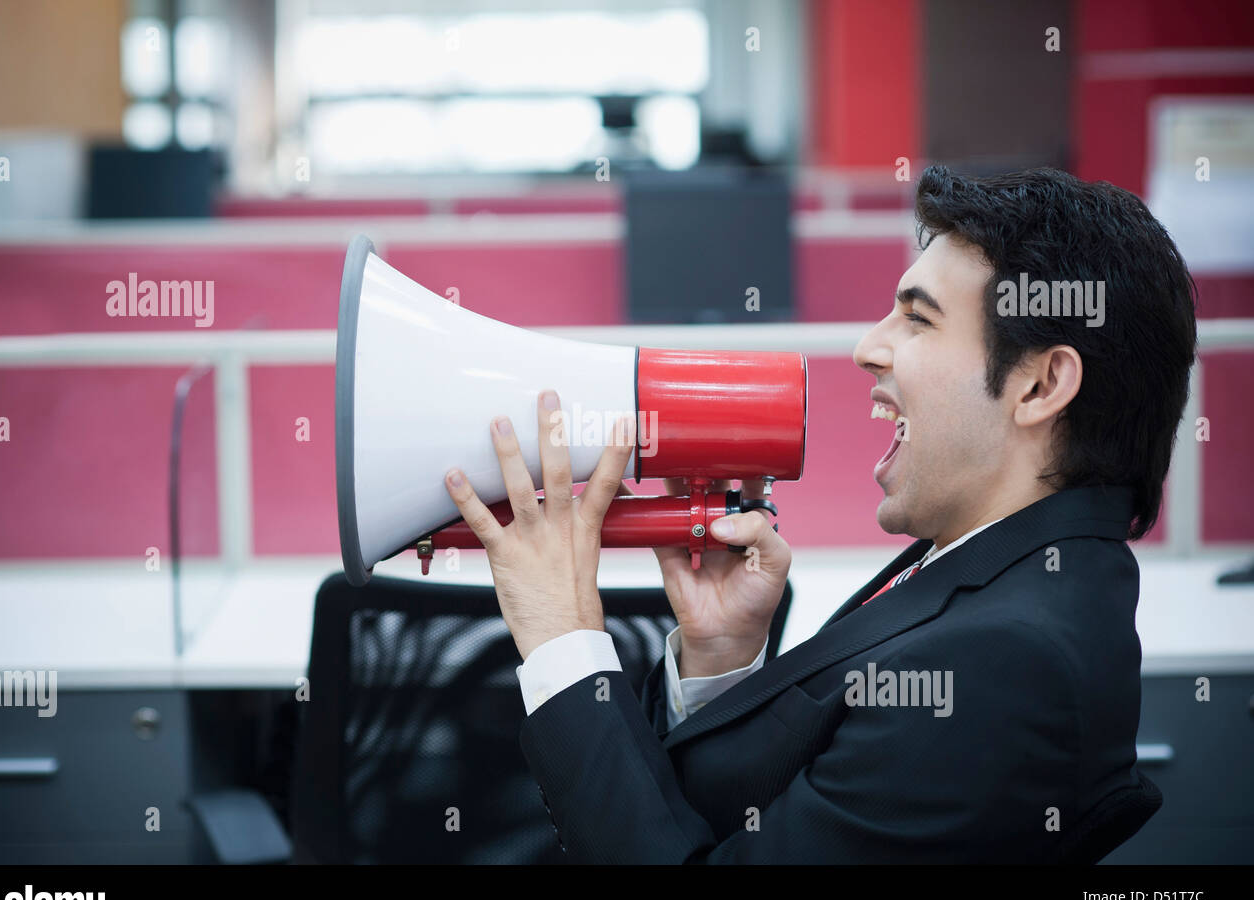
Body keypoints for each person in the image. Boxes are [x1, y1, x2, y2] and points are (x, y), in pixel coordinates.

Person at [443, 165, 1197, 863]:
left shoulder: (1001, 669)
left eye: (918, 319)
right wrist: (721, 663)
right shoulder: (996, 565)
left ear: (1038, 385)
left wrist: (562, 641)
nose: (869, 346)